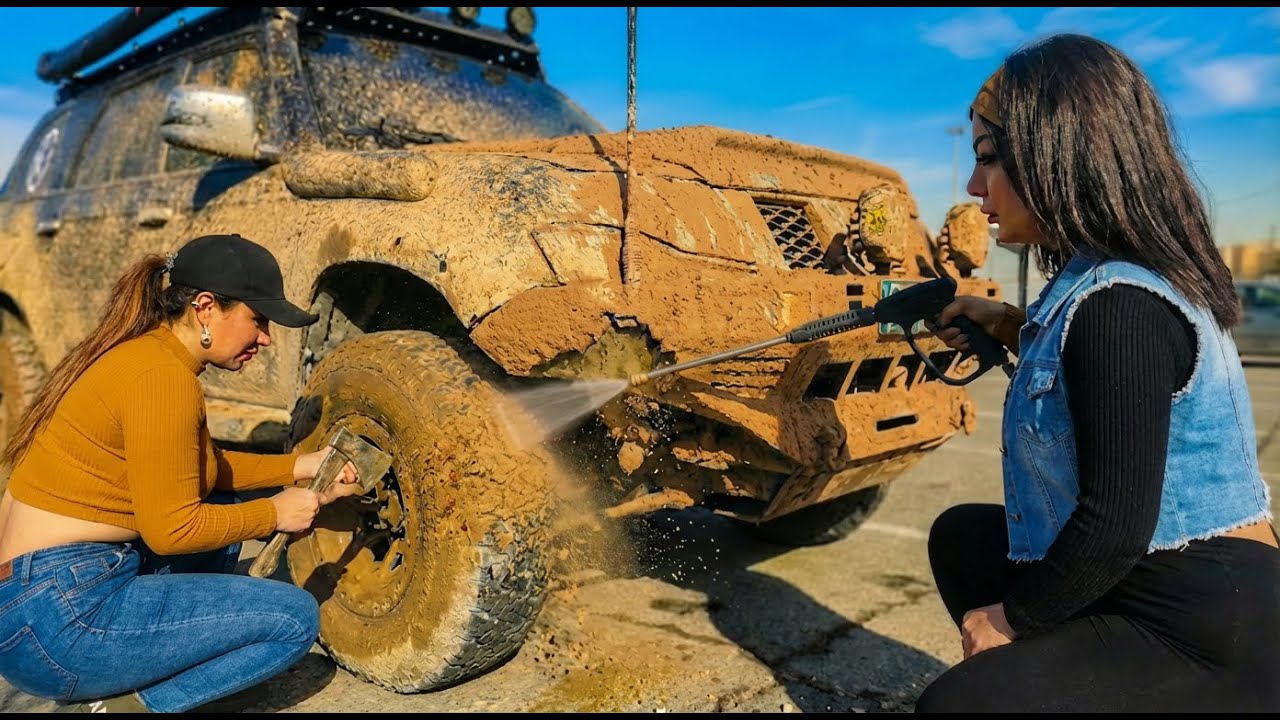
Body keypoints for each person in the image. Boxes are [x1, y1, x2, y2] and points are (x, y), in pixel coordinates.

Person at [916, 34, 1280, 713]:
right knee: (964, 537)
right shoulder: (1109, 284)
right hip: (1157, 578)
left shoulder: (1120, 305)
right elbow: (1099, 388)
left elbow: (1114, 523)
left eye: (989, 159)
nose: (973, 188)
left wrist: (1009, 622)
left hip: (1206, 620)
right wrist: (1007, 325)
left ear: (1056, 154)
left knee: (957, 704)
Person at [0, 234, 363, 713]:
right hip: (59, 619)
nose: (266, 338)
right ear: (206, 308)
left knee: (223, 510)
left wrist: (299, 467)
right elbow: (172, 531)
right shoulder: (163, 381)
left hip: (37, 601)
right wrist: (274, 513)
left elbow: (200, 469)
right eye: (258, 320)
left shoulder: (145, 355)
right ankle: (124, 708)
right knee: (292, 620)